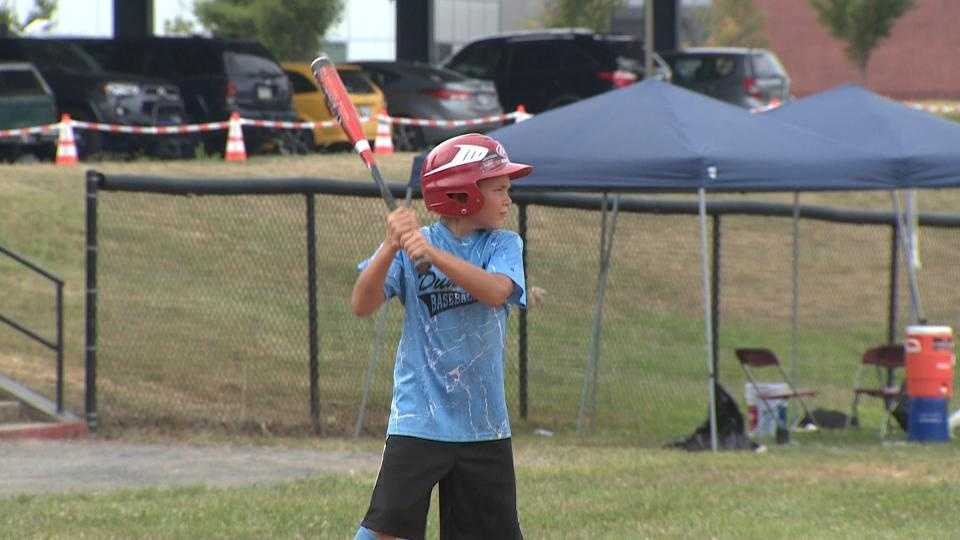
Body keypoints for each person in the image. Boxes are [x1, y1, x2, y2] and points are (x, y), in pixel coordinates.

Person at [351, 133, 532, 540]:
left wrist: (433, 257)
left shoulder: (503, 244)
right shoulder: (415, 244)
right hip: (419, 419)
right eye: (499, 189)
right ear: (462, 194)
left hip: (483, 425)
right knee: (385, 530)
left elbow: (496, 292)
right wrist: (389, 246)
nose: (507, 199)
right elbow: (361, 304)